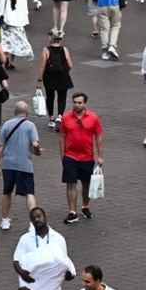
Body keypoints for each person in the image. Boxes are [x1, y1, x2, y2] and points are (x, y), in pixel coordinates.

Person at [12, 207, 75, 290]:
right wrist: (22, 273)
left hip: (52, 289)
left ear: (45, 217)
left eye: (39, 216)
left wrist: (67, 275)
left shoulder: (58, 238)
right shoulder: (25, 239)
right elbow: (16, 260)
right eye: (33, 218)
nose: (37, 219)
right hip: (31, 289)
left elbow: (64, 263)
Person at [0, 102, 42, 231]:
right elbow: (35, 145)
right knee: (29, 193)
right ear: (27, 113)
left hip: (8, 164)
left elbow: (0, 145)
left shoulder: (7, 125)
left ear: (15, 112)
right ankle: (33, 222)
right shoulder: (30, 126)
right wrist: (38, 151)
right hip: (25, 165)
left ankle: (5, 220)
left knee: (6, 192)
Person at [57, 92, 103, 225]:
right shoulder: (66, 118)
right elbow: (62, 137)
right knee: (70, 183)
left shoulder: (93, 118)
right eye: (75, 102)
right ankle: (72, 211)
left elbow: (98, 136)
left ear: (85, 104)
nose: (77, 105)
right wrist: (63, 156)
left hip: (87, 157)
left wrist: (100, 156)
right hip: (70, 157)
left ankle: (85, 206)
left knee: (86, 184)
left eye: (79, 103)